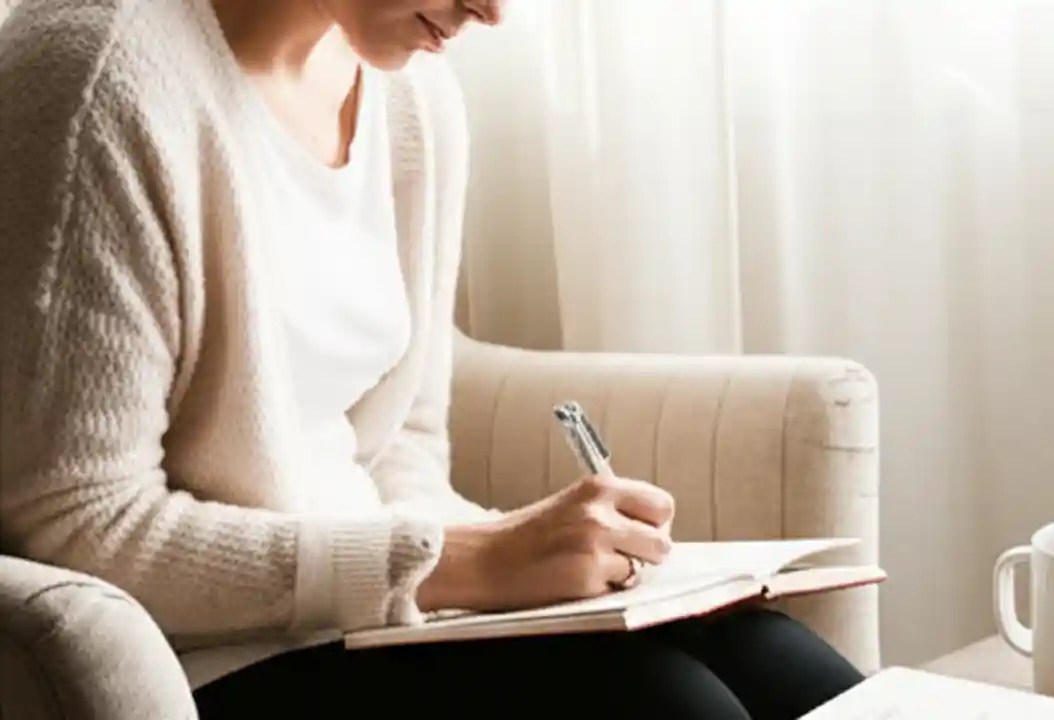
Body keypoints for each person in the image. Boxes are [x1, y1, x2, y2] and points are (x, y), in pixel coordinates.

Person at [0, 0, 865, 717]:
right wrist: (467, 564)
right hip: (202, 665)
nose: (491, 12)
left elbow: (400, 441)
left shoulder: (413, 100)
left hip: (375, 623)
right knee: (669, 704)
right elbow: (80, 530)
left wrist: (548, 578)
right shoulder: (94, 77)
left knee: (789, 670)